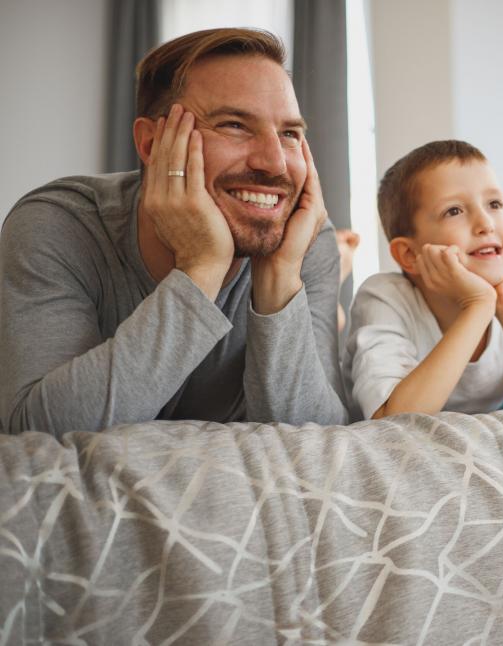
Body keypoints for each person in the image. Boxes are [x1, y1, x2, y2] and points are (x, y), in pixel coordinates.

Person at [0, 28, 348, 434]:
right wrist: (201, 270)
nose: (275, 163)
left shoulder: (303, 240)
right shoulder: (59, 225)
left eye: (289, 133)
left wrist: (279, 281)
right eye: (235, 125)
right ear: (151, 144)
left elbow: (322, 440)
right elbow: (35, 435)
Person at [342, 140, 503, 420]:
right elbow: (392, 422)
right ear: (409, 254)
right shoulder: (385, 297)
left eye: (494, 204)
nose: (486, 223)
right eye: (454, 211)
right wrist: (479, 305)